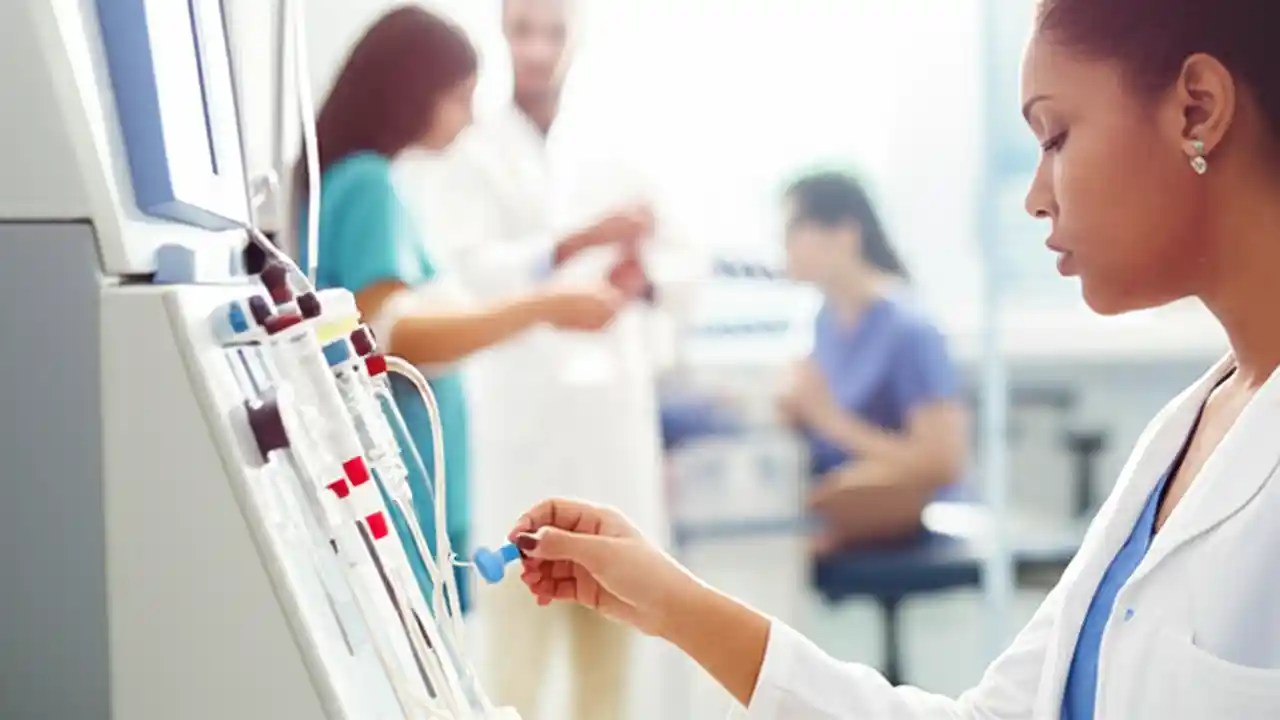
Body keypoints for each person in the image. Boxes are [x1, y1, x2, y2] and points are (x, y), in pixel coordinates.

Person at [505, 0, 1280, 717]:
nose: (1035, 196)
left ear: (1196, 109)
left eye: (1056, 137)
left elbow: (933, 459)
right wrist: (670, 601)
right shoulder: (1184, 433)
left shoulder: (900, 323)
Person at [394, 1, 703, 717]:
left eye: (552, 32)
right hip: (518, 432)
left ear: (577, 37)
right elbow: (464, 276)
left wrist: (644, 281)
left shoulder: (618, 148)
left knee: (612, 672)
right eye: (522, 30)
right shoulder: (469, 151)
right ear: (502, 32)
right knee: (513, 672)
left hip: (608, 432)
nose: (536, 48)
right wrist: (575, 244)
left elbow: (686, 264)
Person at [294, 6, 623, 613]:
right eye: (460, 98)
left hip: (398, 482)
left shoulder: (352, 181)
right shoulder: (368, 185)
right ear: (412, 92)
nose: (469, 118)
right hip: (397, 485)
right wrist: (546, 306)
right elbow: (395, 338)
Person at [777, 170, 968, 553]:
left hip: (911, 517)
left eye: (793, 230)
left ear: (844, 235)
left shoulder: (909, 330)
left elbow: (942, 463)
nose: (784, 247)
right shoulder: (825, 323)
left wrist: (829, 420)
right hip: (846, 513)